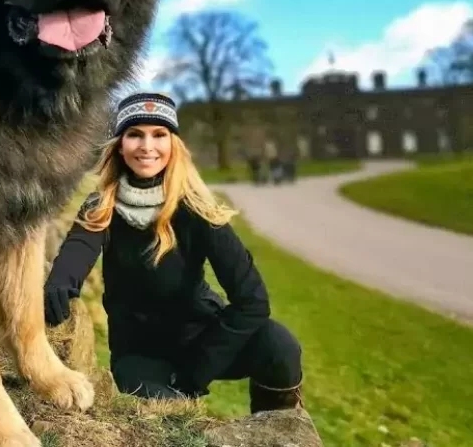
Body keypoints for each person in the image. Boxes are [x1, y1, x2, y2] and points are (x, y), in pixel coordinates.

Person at [43, 92, 305, 412]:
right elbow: (79, 248)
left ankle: (278, 432)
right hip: (141, 353)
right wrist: (59, 280)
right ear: (119, 145)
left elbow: (253, 300)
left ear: (173, 145)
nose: (147, 146)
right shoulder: (101, 206)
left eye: (159, 135)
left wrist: (195, 372)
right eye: (135, 134)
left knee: (279, 345)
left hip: (204, 338)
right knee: (158, 408)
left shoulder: (195, 206)